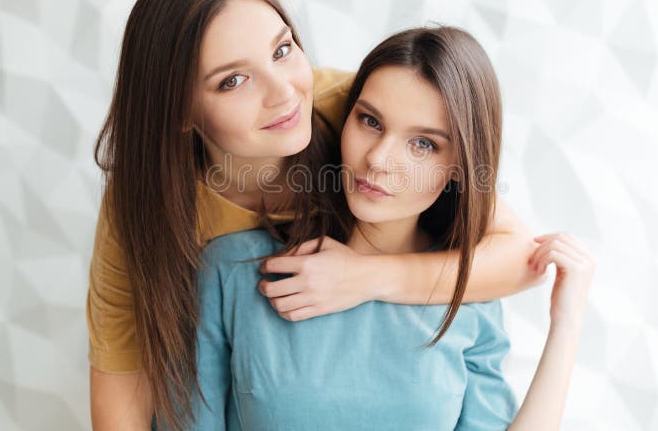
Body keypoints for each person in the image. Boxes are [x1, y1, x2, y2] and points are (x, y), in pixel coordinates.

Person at [88, 0, 544, 430]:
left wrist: (367, 279)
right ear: (179, 111)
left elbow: (520, 257)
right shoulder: (146, 209)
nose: (284, 93)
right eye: (233, 80)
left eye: (282, 50)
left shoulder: (353, 109)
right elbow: (119, 400)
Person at [191, 27, 596, 430]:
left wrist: (566, 325)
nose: (379, 159)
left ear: (459, 166)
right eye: (370, 121)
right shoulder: (235, 268)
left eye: (423, 144)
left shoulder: (471, 295)